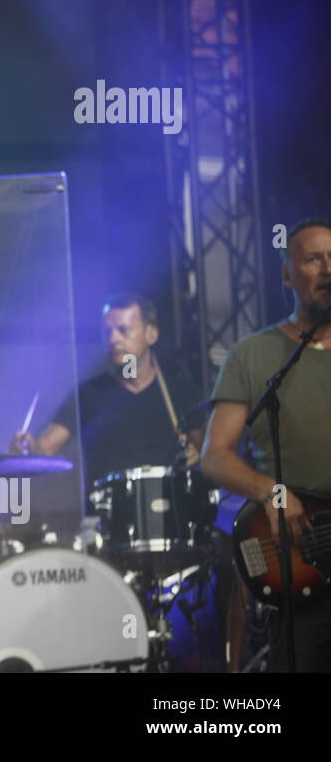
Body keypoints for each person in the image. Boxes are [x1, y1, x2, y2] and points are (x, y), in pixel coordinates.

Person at [202, 216, 331, 672]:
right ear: (287, 273)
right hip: (301, 555)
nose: (327, 268)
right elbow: (215, 455)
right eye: (314, 258)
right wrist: (272, 493)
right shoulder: (252, 354)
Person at [13, 293, 205, 490]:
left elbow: (208, 452)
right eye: (107, 332)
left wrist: (198, 455)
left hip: (169, 509)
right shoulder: (89, 394)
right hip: (108, 514)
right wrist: (28, 450)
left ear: (151, 335)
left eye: (123, 330)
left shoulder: (181, 394)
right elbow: (44, 449)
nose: (113, 339)